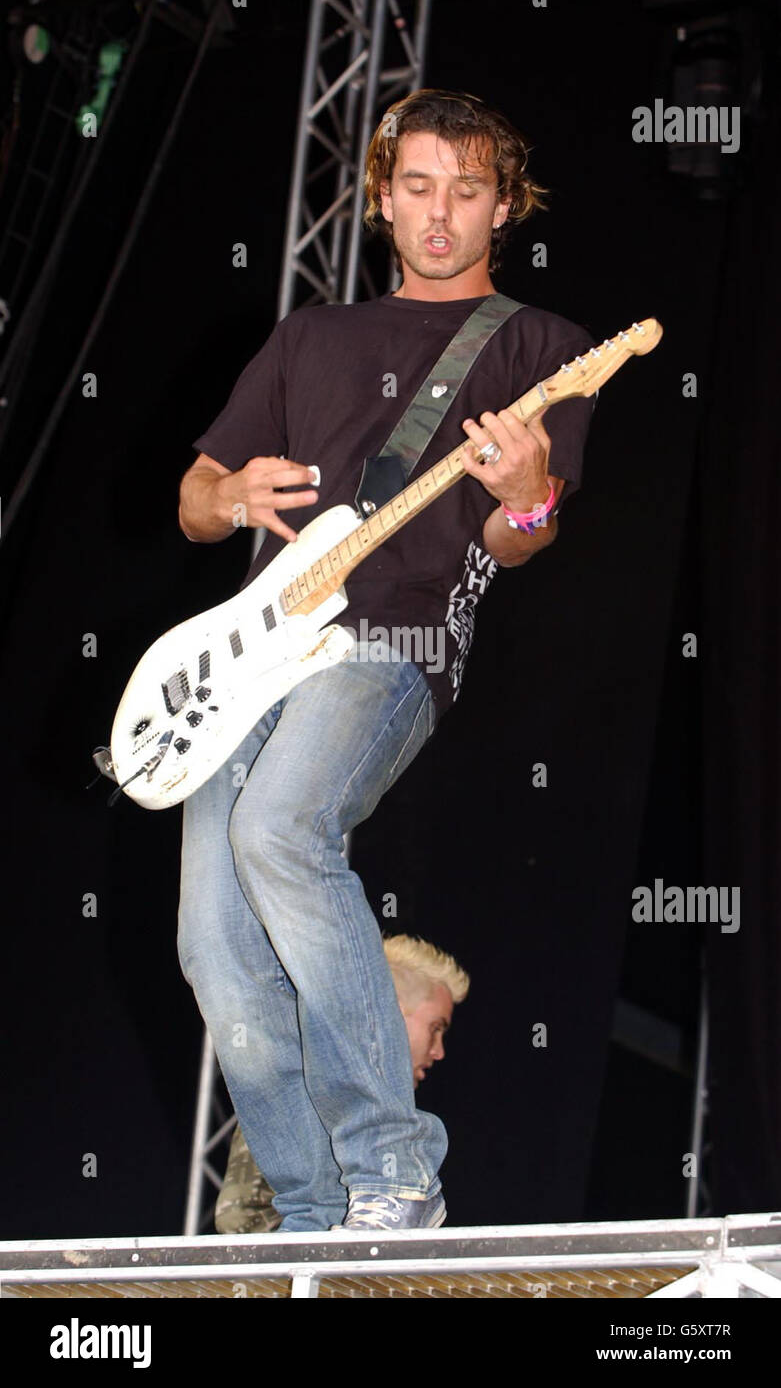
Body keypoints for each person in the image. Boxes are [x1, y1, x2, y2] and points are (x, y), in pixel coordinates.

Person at [177, 87, 595, 1233]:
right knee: (211, 940)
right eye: (417, 185)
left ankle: (394, 1167)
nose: (440, 212)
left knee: (281, 831)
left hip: (392, 644)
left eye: (467, 190)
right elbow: (195, 497)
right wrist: (229, 494)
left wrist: (525, 493)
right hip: (254, 650)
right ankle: (311, 1209)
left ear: (503, 205)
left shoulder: (537, 348)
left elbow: (522, 542)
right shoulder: (306, 337)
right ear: (379, 196)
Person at [215, 933, 469, 1235]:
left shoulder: (355, 1099)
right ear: (392, 1012)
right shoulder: (310, 1087)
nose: (439, 1051)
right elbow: (241, 1217)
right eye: (435, 1028)